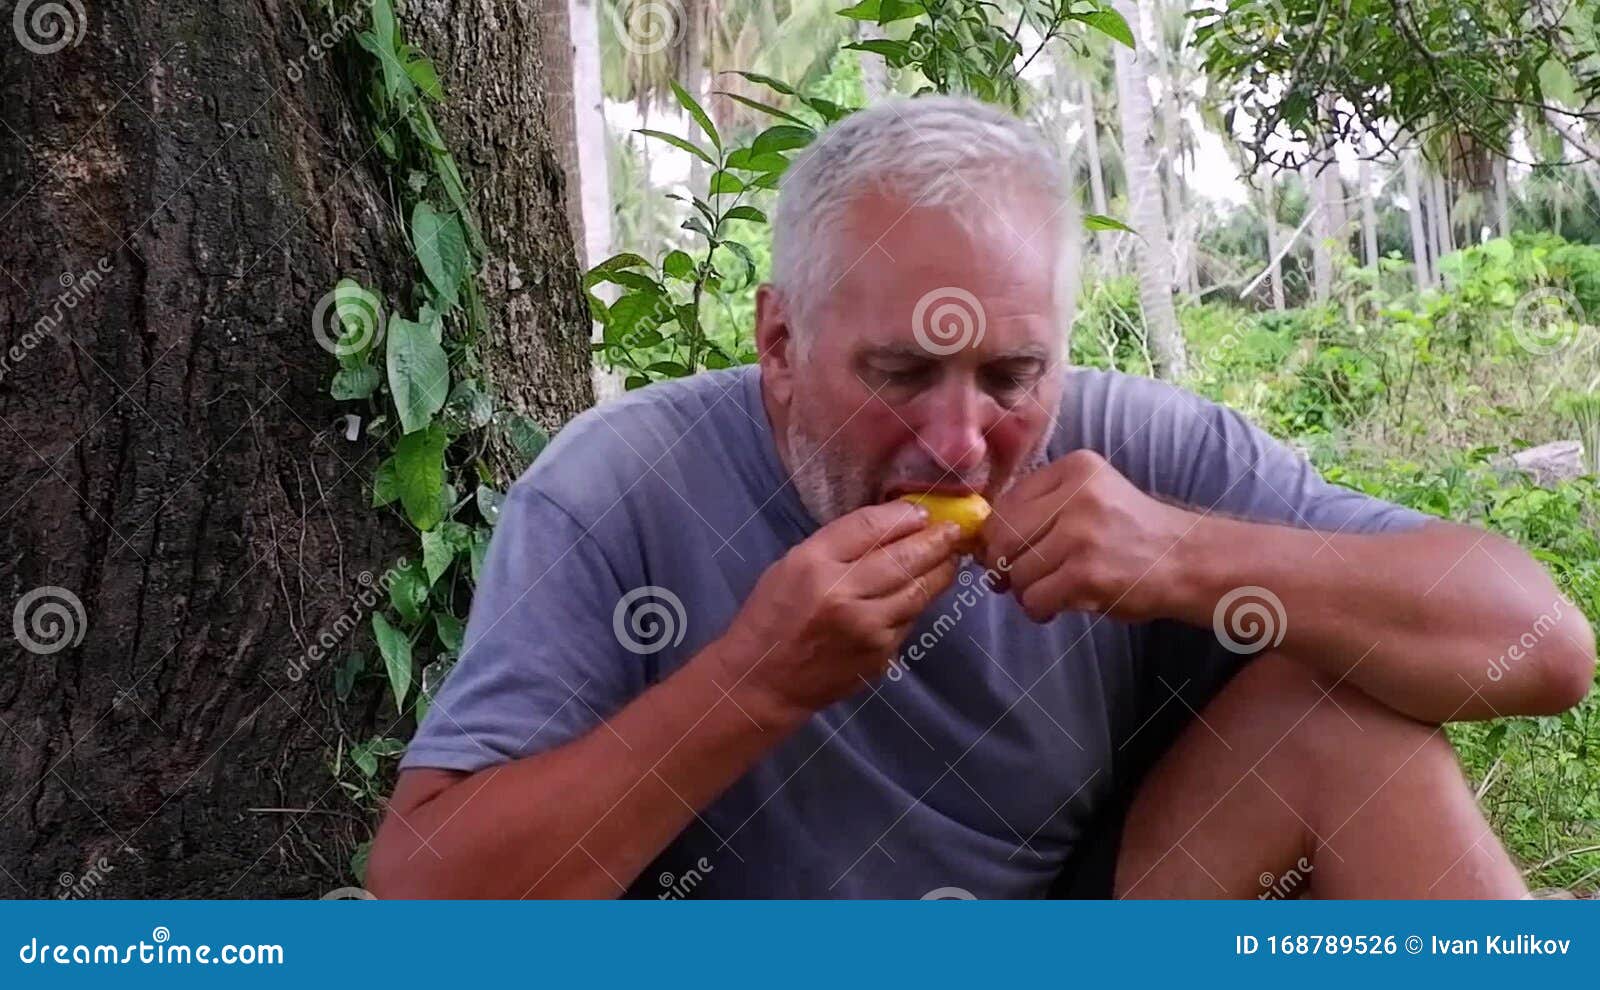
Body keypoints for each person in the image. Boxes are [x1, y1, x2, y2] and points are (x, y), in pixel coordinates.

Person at [367, 97, 1594, 899]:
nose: (959, 442)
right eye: (898, 373)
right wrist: (752, 682)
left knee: (1349, 721)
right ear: (781, 342)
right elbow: (423, 909)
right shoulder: (617, 487)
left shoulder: (1137, 449)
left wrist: (1191, 560)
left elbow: (1540, 649)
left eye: (1011, 376)